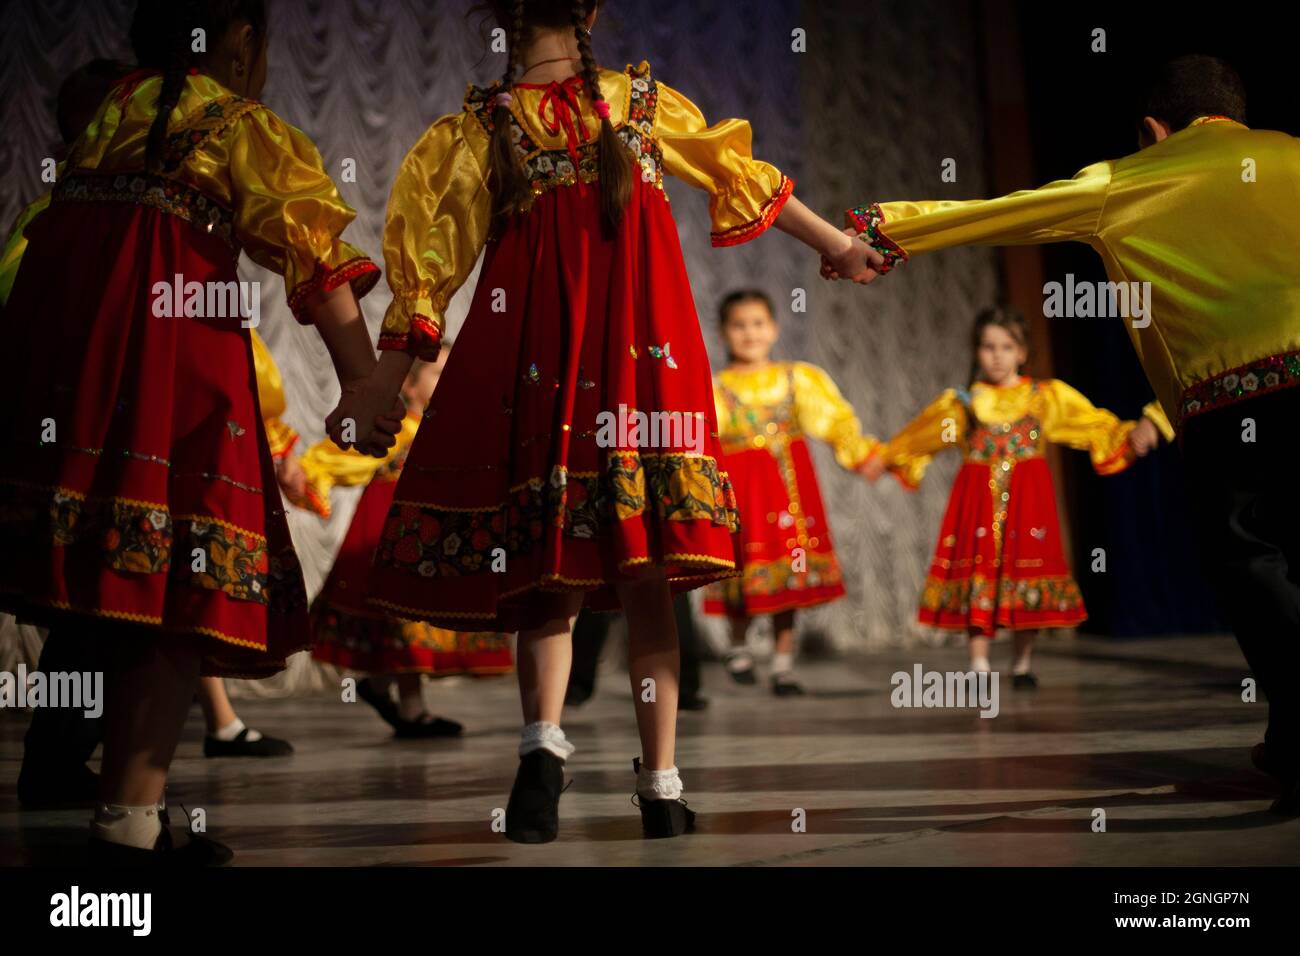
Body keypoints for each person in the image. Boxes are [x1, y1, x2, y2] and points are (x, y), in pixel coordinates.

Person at [346, 0, 881, 842]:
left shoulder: (481, 127)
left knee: (547, 576)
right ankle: (662, 786)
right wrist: (838, 247)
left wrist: (379, 386)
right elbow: (739, 176)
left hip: (540, 358)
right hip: (643, 354)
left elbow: (428, 273)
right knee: (647, 584)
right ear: (593, 9)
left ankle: (541, 745)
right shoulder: (641, 105)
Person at [835, 54, 1300, 810]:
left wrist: (881, 234)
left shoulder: (1128, 178)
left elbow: (1001, 211)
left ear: (1153, 130)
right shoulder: (1291, 154)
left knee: (1253, 563)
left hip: (1234, 402)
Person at [0, 0, 400, 863]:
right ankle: (130, 824)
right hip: (169, 372)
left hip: (71, 374)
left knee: (109, 575)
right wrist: (363, 381)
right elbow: (316, 255)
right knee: (187, 586)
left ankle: (72, 777)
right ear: (244, 40)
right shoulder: (232, 121)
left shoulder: (110, 111)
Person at [869, 306, 1170, 684]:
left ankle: (1022, 663)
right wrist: (884, 457)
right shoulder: (962, 403)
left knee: (1024, 574)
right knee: (979, 572)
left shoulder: (1045, 397)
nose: (996, 355)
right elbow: (921, 436)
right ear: (976, 352)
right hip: (977, 502)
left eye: (1006, 346)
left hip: (1029, 504)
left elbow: (1089, 422)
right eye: (988, 346)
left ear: (1022, 352)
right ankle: (978, 664)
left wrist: (1130, 435)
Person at [305, 343, 514, 737]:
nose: (447, 383)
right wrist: (310, 473)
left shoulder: (454, 428)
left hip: (434, 539)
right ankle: (410, 706)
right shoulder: (399, 428)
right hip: (392, 538)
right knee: (401, 620)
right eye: (436, 375)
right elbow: (339, 457)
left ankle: (387, 690)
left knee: (408, 622)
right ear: (411, 385)